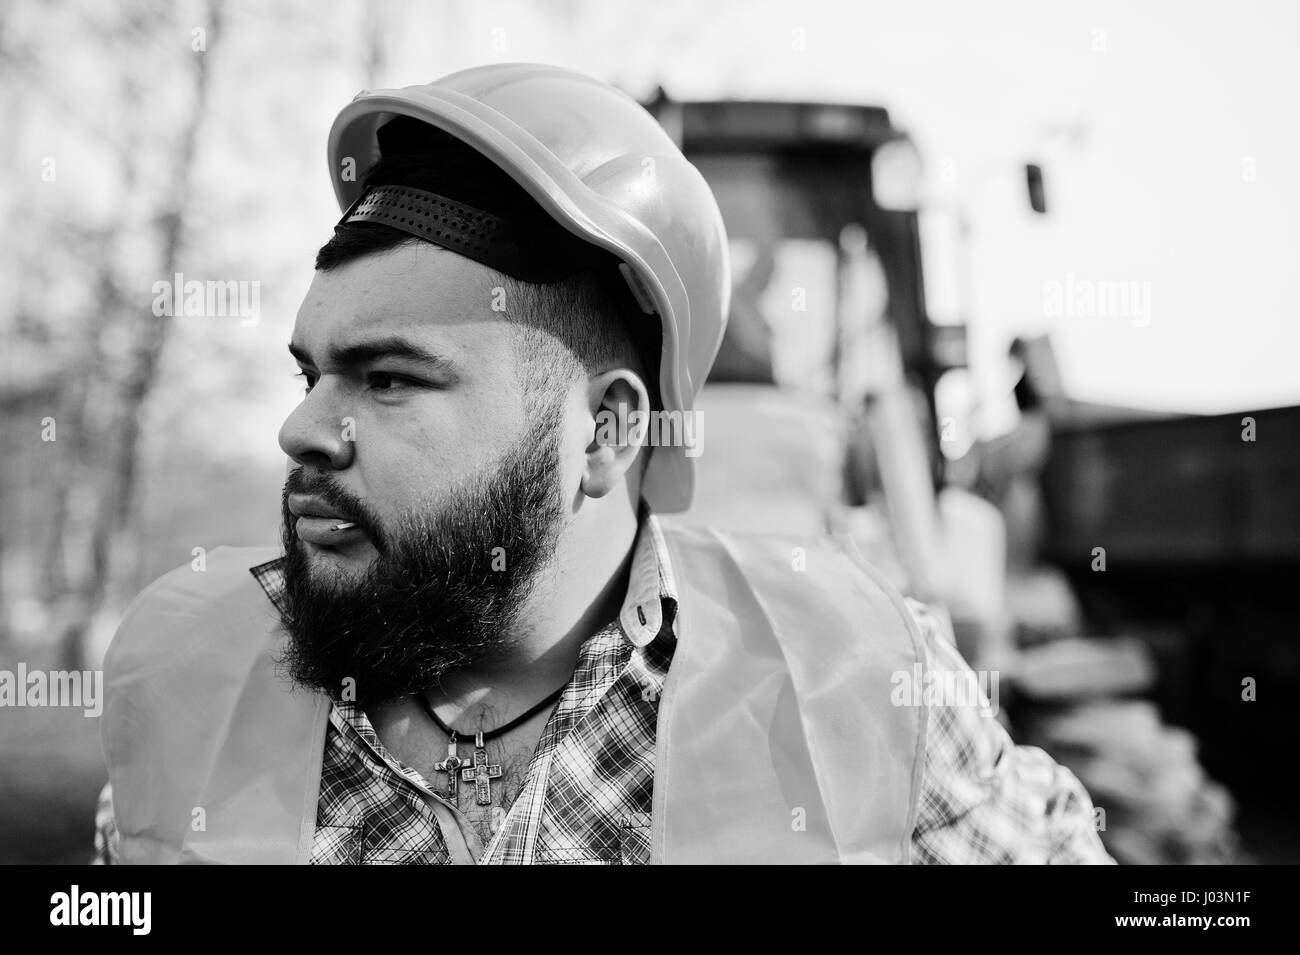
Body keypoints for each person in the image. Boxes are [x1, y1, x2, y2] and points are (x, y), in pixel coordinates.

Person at [92, 64, 1112, 865]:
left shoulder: (860, 687)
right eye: (311, 374)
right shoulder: (189, 684)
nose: (303, 429)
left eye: (389, 379)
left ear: (608, 433)